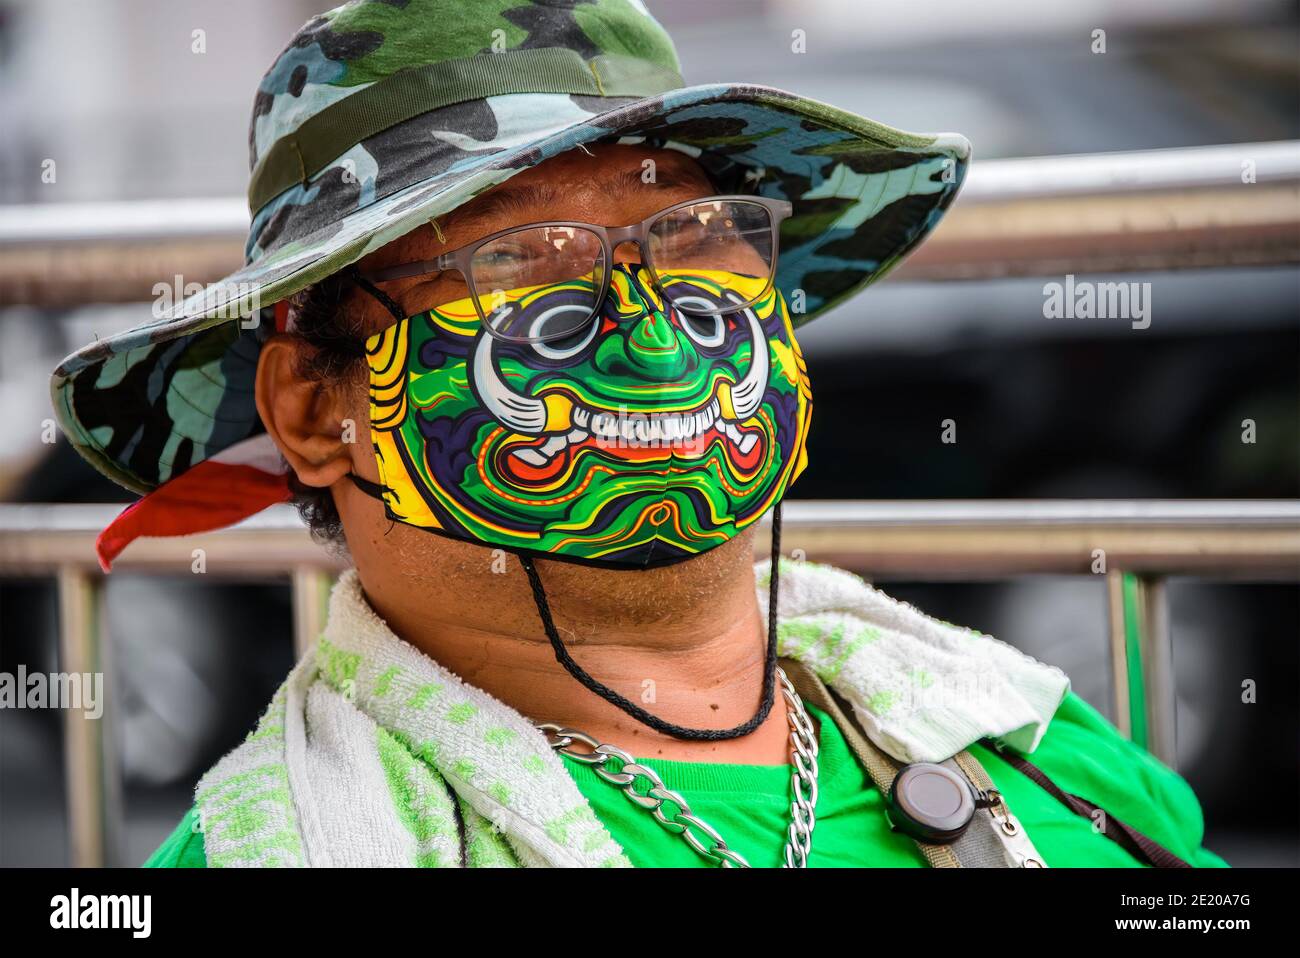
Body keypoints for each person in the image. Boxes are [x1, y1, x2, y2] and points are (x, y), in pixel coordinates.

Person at [52, 0, 1225, 868]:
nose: (653, 324)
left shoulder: (1027, 741)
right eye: (522, 255)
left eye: (699, 232)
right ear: (317, 413)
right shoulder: (294, 845)